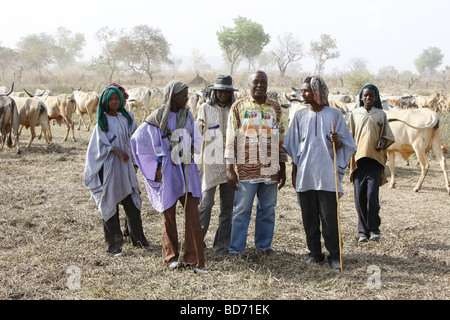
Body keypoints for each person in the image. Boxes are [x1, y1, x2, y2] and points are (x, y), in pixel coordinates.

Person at [130, 80, 207, 274]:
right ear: (173, 96)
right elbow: (139, 140)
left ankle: (194, 259)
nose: (187, 98)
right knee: (168, 215)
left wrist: (186, 148)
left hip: (186, 169)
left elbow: (197, 140)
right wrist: (156, 166)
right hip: (168, 172)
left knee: (192, 214)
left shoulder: (187, 115)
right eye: (184, 95)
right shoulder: (156, 118)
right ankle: (171, 257)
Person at [282, 75, 356, 270]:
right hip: (305, 174)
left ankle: (334, 255)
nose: (302, 94)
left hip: (326, 175)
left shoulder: (334, 115)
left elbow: (347, 145)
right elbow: (292, 145)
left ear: (317, 92)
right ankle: (315, 253)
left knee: (329, 217)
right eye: (302, 90)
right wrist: (294, 172)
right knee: (309, 216)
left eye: (306, 90)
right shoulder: (299, 115)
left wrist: (337, 141)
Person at [84, 84, 152, 256]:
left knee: (133, 204)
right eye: (111, 99)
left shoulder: (125, 119)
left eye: (117, 99)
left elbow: (134, 139)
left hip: (126, 168)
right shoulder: (102, 122)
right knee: (110, 204)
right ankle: (113, 246)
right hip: (110, 169)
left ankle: (139, 240)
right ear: (105, 101)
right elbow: (96, 148)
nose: (114, 102)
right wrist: (114, 149)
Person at [225, 70, 287, 256]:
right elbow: (230, 139)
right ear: (249, 84)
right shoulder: (238, 107)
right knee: (242, 211)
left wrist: (282, 166)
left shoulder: (275, 108)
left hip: (270, 169)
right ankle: (236, 249)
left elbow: (280, 138)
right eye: (256, 82)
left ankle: (264, 247)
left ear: (267, 84)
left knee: (267, 210)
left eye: (263, 82)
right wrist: (229, 169)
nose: (260, 85)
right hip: (245, 170)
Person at [195, 75, 238, 254]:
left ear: (230, 93)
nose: (223, 94)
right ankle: (197, 241)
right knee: (206, 203)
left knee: (227, 208)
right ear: (214, 92)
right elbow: (198, 131)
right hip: (210, 163)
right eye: (220, 91)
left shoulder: (235, 110)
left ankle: (221, 245)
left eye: (226, 92)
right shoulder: (204, 108)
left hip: (229, 163)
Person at [347, 83, 395, 242]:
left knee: (372, 196)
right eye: (365, 95)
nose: (368, 98)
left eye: (371, 95)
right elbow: (349, 136)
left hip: (375, 160)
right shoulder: (355, 114)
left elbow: (387, 135)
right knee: (359, 197)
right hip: (359, 161)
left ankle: (374, 229)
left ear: (376, 98)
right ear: (361, 97)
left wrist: (382, 140)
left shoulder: (381, 114)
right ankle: (362, 231)